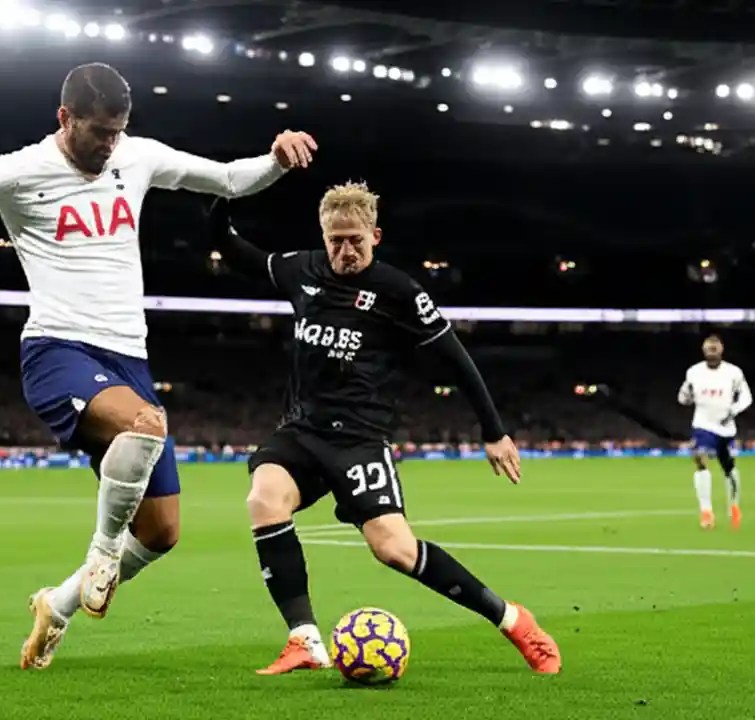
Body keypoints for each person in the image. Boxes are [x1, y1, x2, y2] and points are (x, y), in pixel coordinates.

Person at [0, 62, 316, 670]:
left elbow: (230, 180)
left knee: (161, 532)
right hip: (58, 351)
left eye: (117, 132)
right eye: (98, 132)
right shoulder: (17, 172)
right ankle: (102, 554)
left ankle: (57, 604)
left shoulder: (139, 156)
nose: (109, 145)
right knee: (145, 426)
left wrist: (277, 160)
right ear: (65, 118)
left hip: (129, 357)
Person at [208, 184, 561, 676]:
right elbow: (233, 249)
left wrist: (493, 431)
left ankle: (513, 620)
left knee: (394, 549)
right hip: (302, 433)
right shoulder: (300, 269)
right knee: (263, 498)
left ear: (375, 236)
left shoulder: (400, 292)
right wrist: (223, 195)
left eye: (355, 240)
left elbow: (457, 360)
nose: (345, 251)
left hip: (360, 440)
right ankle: (304, 639)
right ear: (323, 236)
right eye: (335, 240)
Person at [677, 335, 752, 530]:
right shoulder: (694, 372)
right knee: (700, 458)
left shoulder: (733, 372)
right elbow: (683, 397)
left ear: (721, 349)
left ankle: (734, 507)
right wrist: (686, 396)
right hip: (702, 424)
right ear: (703, 350)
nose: (712, 349)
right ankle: (706, 511)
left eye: (715, 346)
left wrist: (733, 411)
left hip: (725, 427)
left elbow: (747, 397)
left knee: (728, 468)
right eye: (708, 346)